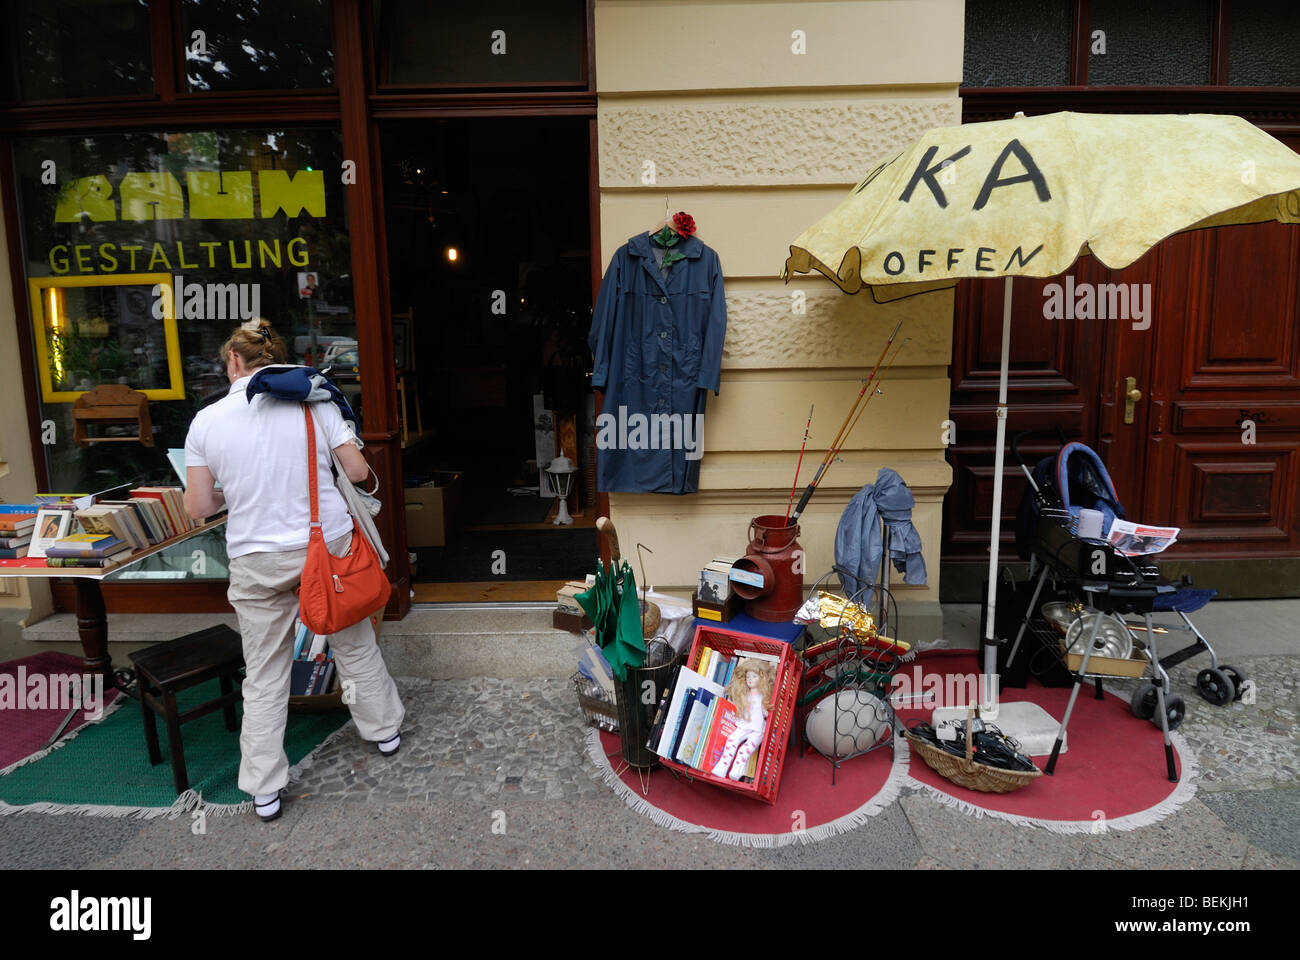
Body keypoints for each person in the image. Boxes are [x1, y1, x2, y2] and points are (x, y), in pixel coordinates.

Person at [183, 319, 404, 822]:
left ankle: (263, 788)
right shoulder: (316, 403)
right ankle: (384, 732)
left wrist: (235, 494)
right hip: (324, 548)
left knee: (263, 673)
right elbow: (356, 472)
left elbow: (199, 506)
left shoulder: (206, 422)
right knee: (353, 644)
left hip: (254, 556)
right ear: (276, 358)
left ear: (234, 361)